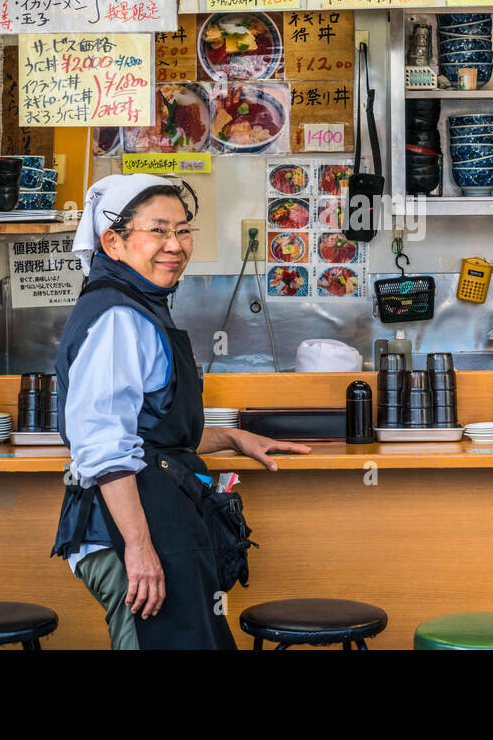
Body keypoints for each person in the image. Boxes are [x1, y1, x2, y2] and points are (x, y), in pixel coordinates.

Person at [52, 174, 309, 649]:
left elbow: (150, 433)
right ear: (113, 241)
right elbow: (105, 447)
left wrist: (232, 438)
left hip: (159, 518)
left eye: (183, 230)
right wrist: (139, 548)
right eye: (158, 230)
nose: (175, 244)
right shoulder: (117, 318)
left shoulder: (139, 306)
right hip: (130, 533)